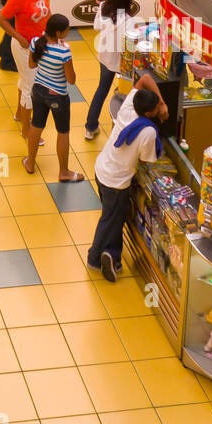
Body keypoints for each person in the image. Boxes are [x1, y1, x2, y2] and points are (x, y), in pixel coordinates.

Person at [87, 86, 164, 281]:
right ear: (148, 113)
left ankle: (113, 256)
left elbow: (144, 79)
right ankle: (94, 258)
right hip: (116, 182)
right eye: (156, 107)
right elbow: (147, 160)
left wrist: (161, 102)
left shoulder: (129, 106)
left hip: (102, 168)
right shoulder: (147, 132)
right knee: (110, 219)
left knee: (115, 218)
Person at [20, 14, 83, 183]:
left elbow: (32, 65)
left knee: (36, 126)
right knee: (63, 132)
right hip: (58, 96)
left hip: (38, 90)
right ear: (58, 33)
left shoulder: (35, 42)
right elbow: (71, 80)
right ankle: (63, 171)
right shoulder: (64, 51)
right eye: (67, 30)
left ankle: (30, 163)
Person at [0, 0, 49, 142]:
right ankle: (27, 131)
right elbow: (2, 19)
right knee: (32, 86)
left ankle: (20, 114)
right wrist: (19, 37)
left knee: (26, 79)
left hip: (39, 44)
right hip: (23, 47)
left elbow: (46, 14)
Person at [84, 0, 134, 140]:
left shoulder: (103, 6)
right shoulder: (128, 19)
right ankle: (123, 128)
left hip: (105, 58)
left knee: (101, 90)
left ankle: (90, 128)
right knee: (126, 94)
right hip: (122, 63)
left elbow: (96, 27)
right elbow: (128, 45)